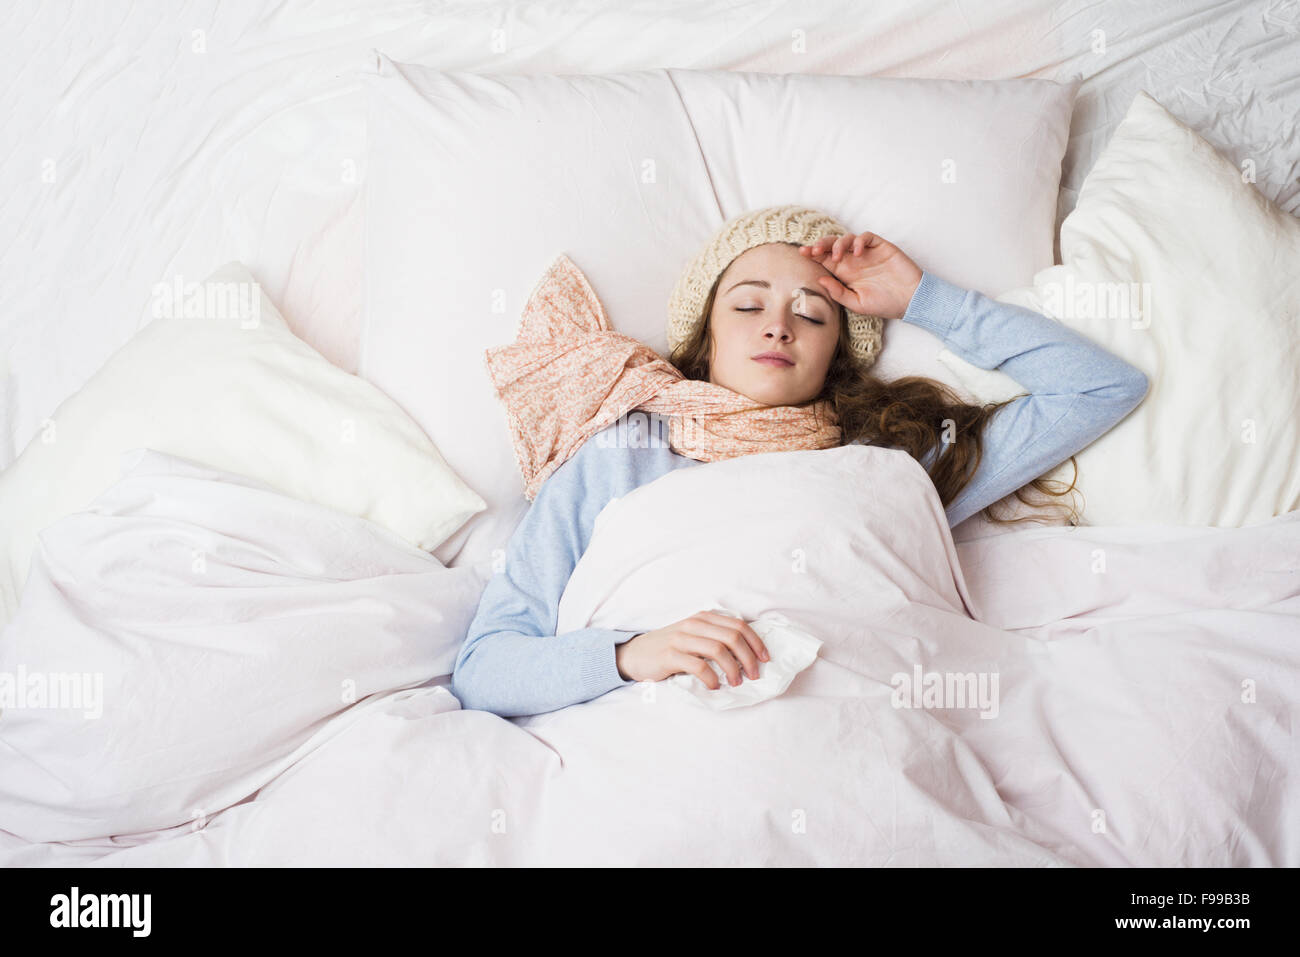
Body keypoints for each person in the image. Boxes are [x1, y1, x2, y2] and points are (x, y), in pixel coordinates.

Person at [451, 205, 1148, 718]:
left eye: (812, 315)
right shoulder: (620, 452)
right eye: (749, 304)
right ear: (706, 336)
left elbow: (1098, 387)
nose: (778, 324)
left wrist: (920, 298)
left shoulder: (891, 463)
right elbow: (485, 668)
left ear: (837, 353)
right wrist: (631, 654)